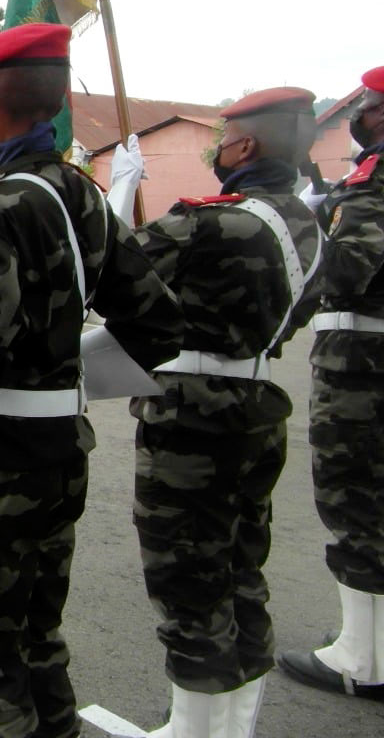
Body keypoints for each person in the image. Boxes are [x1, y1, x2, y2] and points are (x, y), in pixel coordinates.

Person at [0, 23, 182, 738]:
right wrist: (62, 379)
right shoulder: (81, 194)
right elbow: (157, 326)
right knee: (36, 641)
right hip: (63, 450)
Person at [128, 87, 324, 737]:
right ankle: (233, 725)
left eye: (225, 136)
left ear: (246, 145)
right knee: (240, 571)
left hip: (191, 419)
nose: (218, 147)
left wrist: (117, 196)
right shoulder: (308, 223)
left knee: (188, 579)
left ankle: (191, 730)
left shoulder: (214, 219)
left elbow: (117, 274)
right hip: (257, 404)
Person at [279, 67, 384, 701]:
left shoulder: (373, 185)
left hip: (364, 366)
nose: (359, 116)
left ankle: (362, 658)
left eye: (368, 106)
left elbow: (345, 272)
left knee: (357, 503)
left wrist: (311, 223)